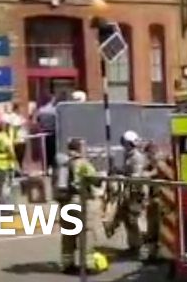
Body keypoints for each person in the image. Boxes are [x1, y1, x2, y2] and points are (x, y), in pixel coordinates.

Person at [103, 130, 150, 257]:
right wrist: (118, 170)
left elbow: (136, 176)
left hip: (136, 192)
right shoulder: (128, 155)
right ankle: (133, 245)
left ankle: (140, 247)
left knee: (133, 219)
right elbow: (127, 172)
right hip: (129, 191)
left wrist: (121, 177)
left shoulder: (137, 157)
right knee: (127, 219)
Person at [57, 137, 100, 274]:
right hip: (79, 201)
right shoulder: (83, 163)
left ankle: (67, 264)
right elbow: (95, 180)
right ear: (79, 149)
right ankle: (86, 265)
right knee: (85, 233)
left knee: (68, 234)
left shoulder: (62, 163)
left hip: (65, 202)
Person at [0, 112, 18, 204]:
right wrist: (15, 161)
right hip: (5, 165)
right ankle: (4, 208)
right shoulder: (4, 137)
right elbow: (10, 150)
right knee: (5, 187)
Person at [35, 95, 58, 175]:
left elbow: (37, 120)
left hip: (43, 133)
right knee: (53, 151)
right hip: (53, 132)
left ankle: (46, 168)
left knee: (45, 152)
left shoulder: (40, 110)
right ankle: (53, 168)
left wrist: (42, 126)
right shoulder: (54, 110)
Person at [5, 104, 26, 169]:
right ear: (16, 109)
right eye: (19, 109)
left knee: (19, 157)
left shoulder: (17, 116)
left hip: (20, 139)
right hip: (17, 140)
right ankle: (18, 169)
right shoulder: (14, 117)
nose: (21, 110)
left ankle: (19, 169)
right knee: (18, 156)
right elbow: (14, 127)